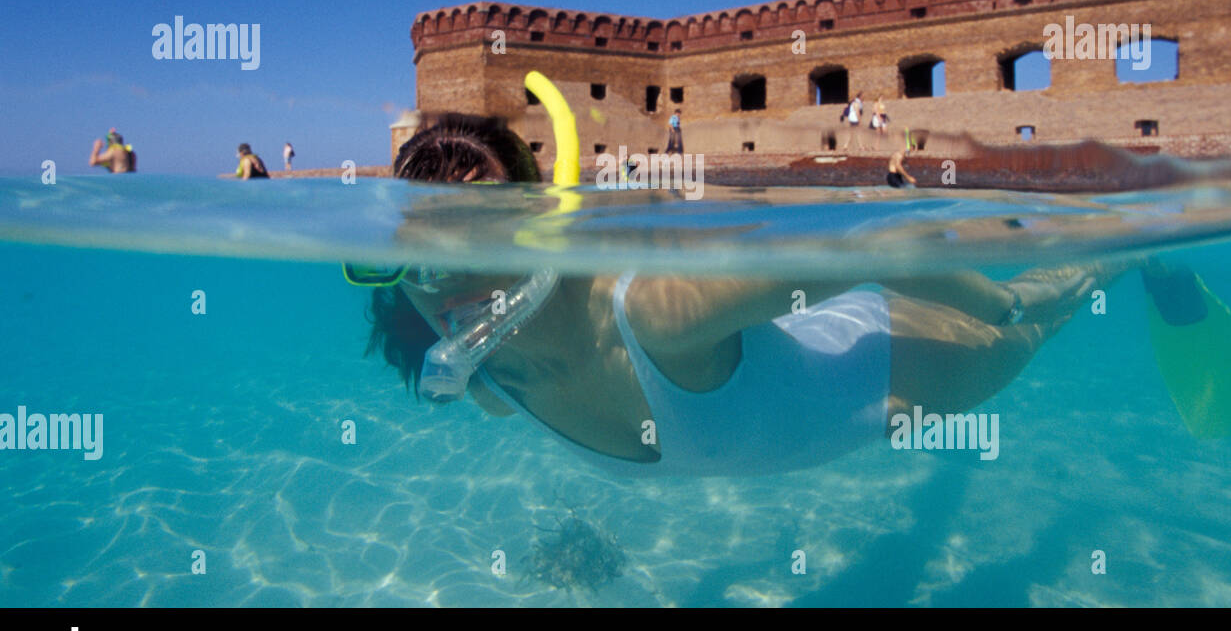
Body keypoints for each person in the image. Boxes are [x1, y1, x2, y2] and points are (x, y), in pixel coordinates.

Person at [357, 110, 1123, 477]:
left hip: (900, 369)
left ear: (539, 227)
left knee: (1046, 313)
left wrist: (1000, 307)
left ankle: (1118, 258)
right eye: (414, 263)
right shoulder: (489, 382)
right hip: (807, 384)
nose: (443, 291)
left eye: (473, 243)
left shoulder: (656, 312)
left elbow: (874, 247)